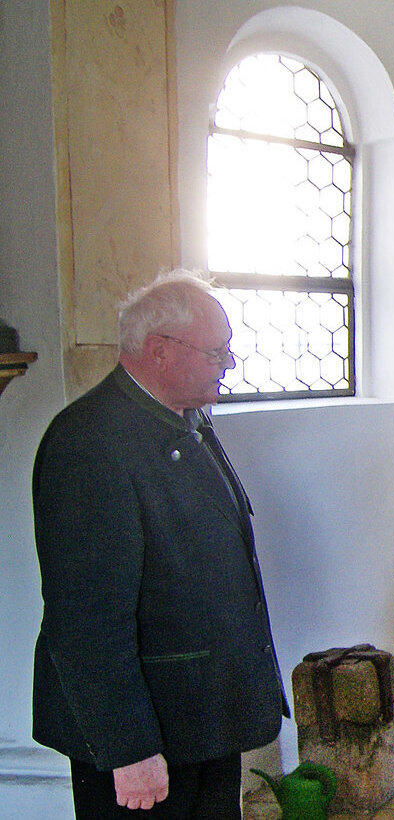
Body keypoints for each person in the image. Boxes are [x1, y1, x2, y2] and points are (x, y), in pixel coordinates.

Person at [32, 270, 287, 818]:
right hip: (150, 737)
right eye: (217, 351)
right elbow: (86, 618)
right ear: (159, 351)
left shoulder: (184, 420)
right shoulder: (90, 443)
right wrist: (129, 749)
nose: (229, 365)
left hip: (204, 716)